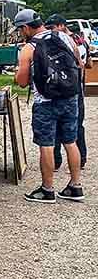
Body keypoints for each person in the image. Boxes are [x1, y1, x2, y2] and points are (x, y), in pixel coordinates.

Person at [14, 9, 83, 203]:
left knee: (47, 145)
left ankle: (47, 189)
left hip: (45, 102)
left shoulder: (29, 48)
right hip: (70, 97)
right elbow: (78, 63)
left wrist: (17, 75)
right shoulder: (65, 37)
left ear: (26, 27)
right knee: (71, 141)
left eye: (21, 30)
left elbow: (21, 81)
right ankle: (75, 186)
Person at [46, 14, 89, 170]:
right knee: (77, 124)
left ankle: (58, 161)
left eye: (52, 27)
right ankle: (80, 158)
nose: (51, 31)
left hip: (67, 87)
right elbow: (86, 63)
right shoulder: (80, 40)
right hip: (77, 86)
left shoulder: (61, 42)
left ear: (61, 25)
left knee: (62, 125)